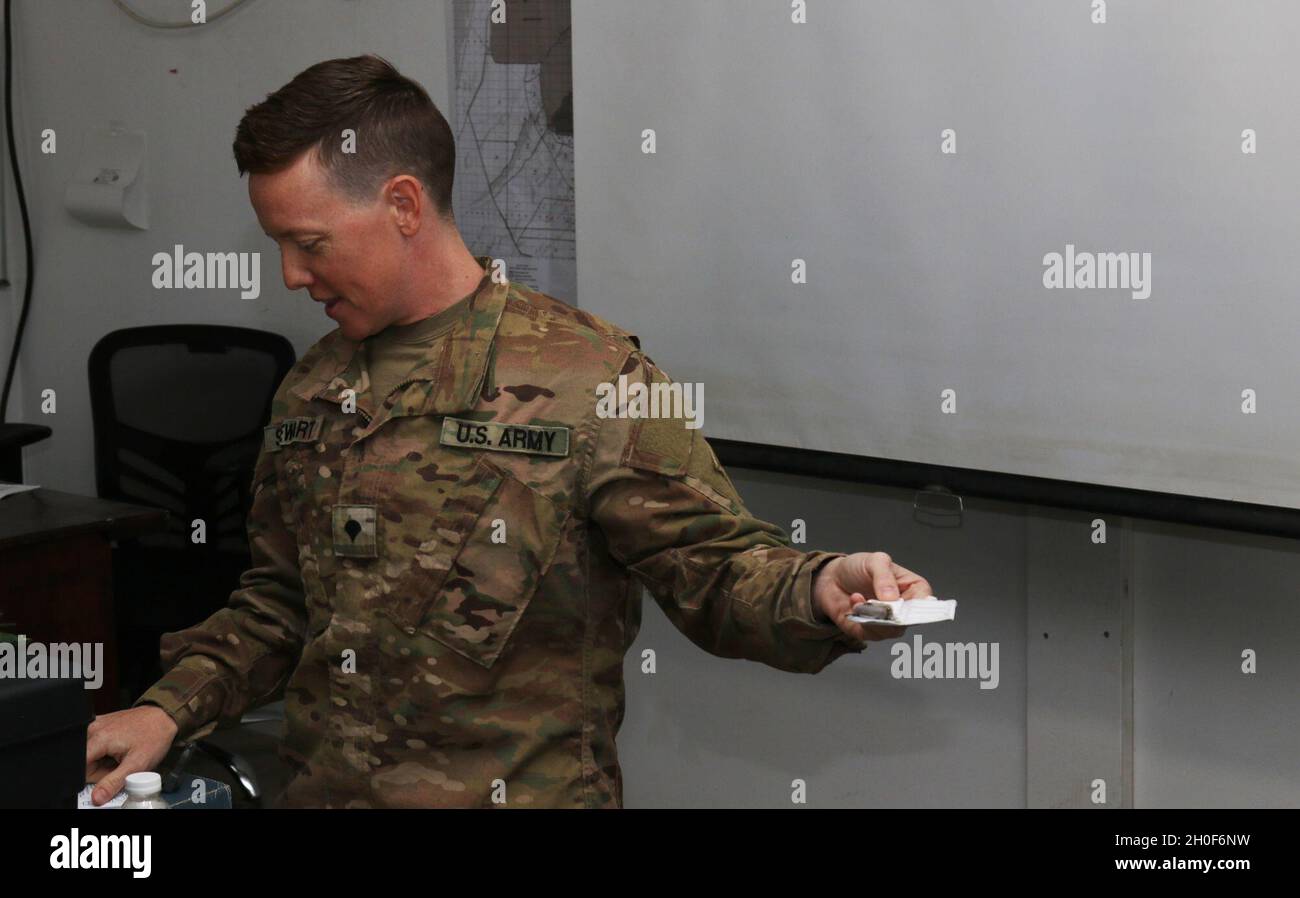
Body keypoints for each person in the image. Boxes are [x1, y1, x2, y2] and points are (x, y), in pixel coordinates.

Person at [85, 55, 934, 808]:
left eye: (308, 243)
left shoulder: (589, 379)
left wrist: (824, 583)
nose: (291, 274)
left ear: (404, 205)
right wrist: (169, 706)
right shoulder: (314, 387)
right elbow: (280, 602)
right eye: (278, 245)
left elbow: (717, 571)